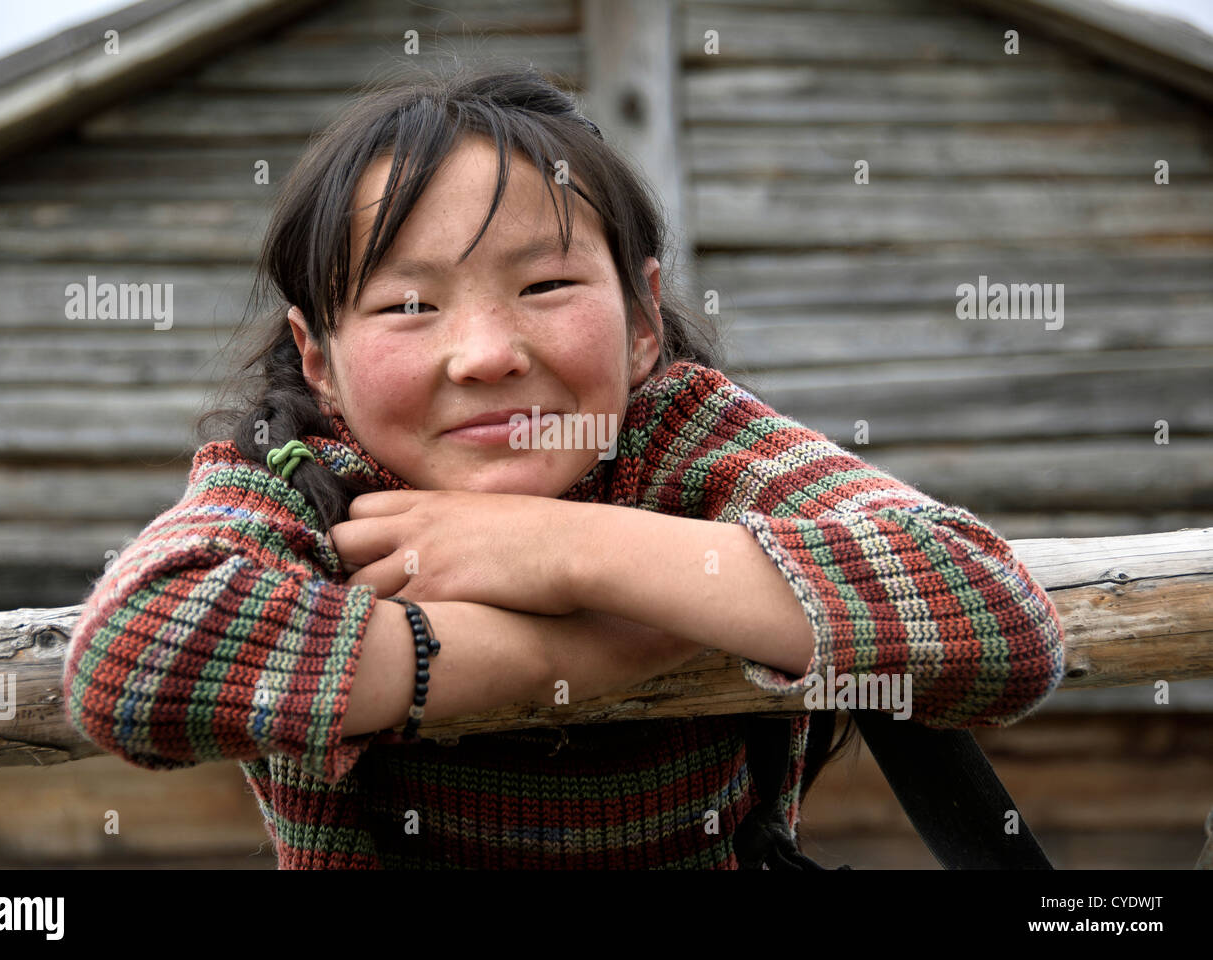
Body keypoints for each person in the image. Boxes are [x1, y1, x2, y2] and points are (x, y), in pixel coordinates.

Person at [62, 61, 1066, 870]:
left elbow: (994, 614)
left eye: (545, 283)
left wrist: (567, 550)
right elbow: (135, 660)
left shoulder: (679, 436)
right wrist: (585, 653)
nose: (488, 352)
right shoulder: (301, 478)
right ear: (318, 359)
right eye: (409, 304)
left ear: (640, 320)